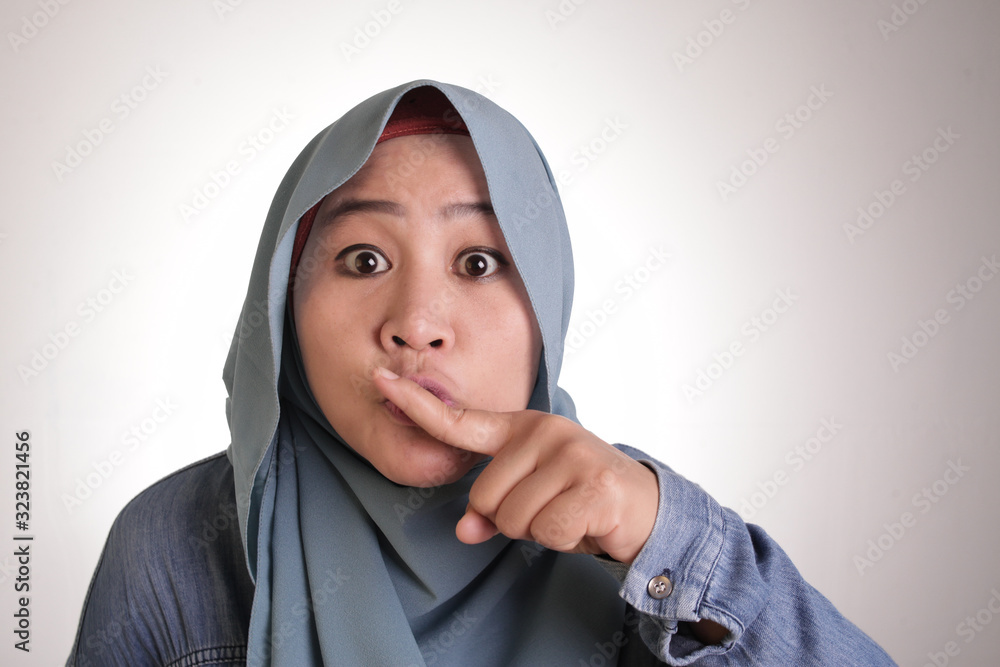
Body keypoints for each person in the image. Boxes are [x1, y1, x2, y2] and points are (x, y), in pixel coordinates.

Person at [67, 80, 896, 666]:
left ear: (548, 305)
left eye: (478, 261)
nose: (417, 325)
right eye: (363, 259)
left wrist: (665, 533)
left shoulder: (635, 540)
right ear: (284, 305)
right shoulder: (173, 544)